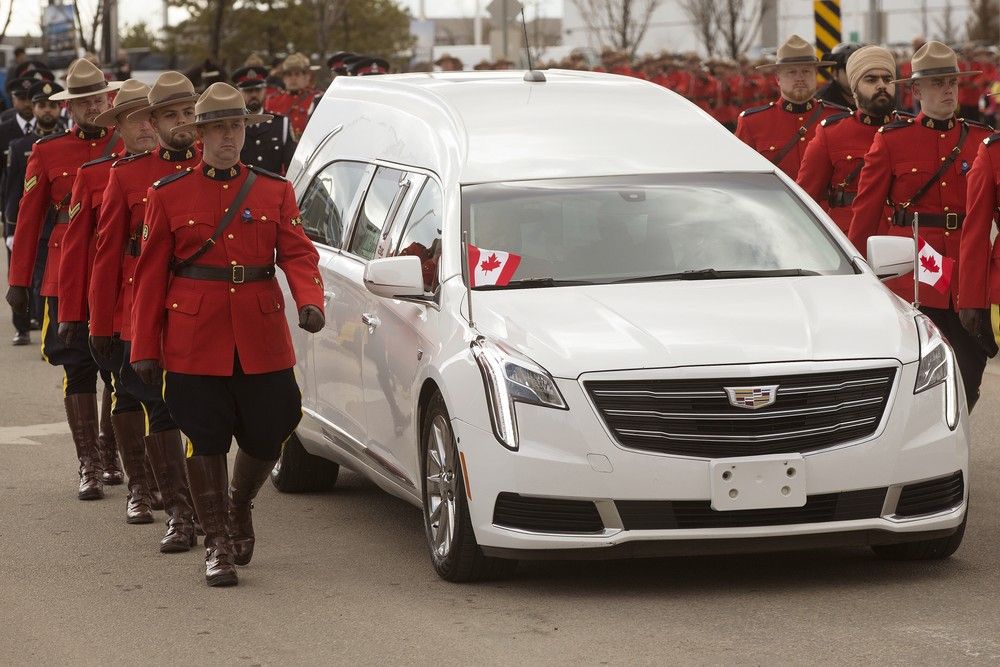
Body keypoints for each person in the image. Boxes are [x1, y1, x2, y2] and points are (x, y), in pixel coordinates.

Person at [129, 83, 325, 586]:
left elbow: (298, 253)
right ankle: (215, 541)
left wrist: (309, 300)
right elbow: (150, 276)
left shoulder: (273, 189)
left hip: (259, 330)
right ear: (199, 135)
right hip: (194, 334)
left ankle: (239, 503)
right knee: (205, 434)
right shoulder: (168, 194)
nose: (228, 137)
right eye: (218, 128)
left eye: (236, 126)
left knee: (276, 419)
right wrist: (144, 346)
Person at [85, 72, 203, 549]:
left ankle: (210, 500)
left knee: (202, 408)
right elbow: (105, 253)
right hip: (143, 305)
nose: (179, 123)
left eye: (187, 113)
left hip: (201, 305)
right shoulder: (126, 175)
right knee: (153, 403)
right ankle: (176, 508)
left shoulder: (211, 166)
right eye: (169, 115)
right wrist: (98, 320)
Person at [848, 41, 992, 411]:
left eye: (952, 83)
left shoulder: (979, 140)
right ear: (916, 91)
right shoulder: (892, 141)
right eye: (938, 82)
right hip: (913, 273)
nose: (948, 90)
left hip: (963, 274)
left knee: (969, 373)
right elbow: (865, 216)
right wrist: (856, 279)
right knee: (918, 374)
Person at [4, 58, 124, 500]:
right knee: (77, 368)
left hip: (118, 276)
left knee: (118, 368)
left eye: (98, 97)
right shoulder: (48, 152)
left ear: (109, 99)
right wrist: (19, 281)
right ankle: (88, 462)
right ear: (70, 107)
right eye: (84, 100)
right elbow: (28, 217)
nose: (93, 106)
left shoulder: (126, 143)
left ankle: (113, 451)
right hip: (65, 273)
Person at [56, 80, 160, 522]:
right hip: (124, 303)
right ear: (118, 125)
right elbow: (81, 252)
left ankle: (171, 483)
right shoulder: (99, 175)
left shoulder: (189, 168)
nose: (147, 127)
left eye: (152, 117)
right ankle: (137, 482)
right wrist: (76, 314)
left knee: (177, 399)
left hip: (180, 302)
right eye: (135, 118)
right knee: (127, 393)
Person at [797, 46, 901, 234]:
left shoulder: (908, 132)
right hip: (849, 240)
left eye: (887, 79)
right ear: (854, 89)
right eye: (871, 79)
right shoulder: (831, 133)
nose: (881, 85)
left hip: (901, 241)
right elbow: (806, 198)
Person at [736, 34, 849, 180]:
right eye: (792, 72)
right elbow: (743, 178)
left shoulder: (839, 119)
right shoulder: (752, 123)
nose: (800, 77)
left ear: (816, 75)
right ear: (777, 78)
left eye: (806, 71)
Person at [4, 79, 65, 345]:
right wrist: (9, 228)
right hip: (36, 227)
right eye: (41, 105)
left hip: (65, 225)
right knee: (36, 280)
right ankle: (32, 328)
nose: (47, 111)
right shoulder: (21, 146)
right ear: (34, 107)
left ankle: (51, 332)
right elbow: (13, 189)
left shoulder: (71, 139)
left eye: (52, 105)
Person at [232, 65, 295, 174]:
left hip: (274, 189)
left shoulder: (281, 124)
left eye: (257, 90)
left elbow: (291, 167)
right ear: (239, 92)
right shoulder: (231, 125)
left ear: (265, 90)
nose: (253, 94)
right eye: (248, 91)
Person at [264, 52, 319, 140]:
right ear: (283, 78)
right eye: (289, 75)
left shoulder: (316, 98)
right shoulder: (272, 101)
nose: (293, 78)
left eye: (297, 74)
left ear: (305, 77)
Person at [817, 42, 862, 110]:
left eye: (860, 68)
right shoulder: (823, 101)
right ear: (834, 72)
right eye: (849, 68)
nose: (855, 73)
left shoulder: (871, 95)